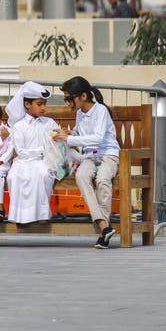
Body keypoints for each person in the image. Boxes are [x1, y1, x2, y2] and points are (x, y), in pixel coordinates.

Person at [58, 76, 119, 249]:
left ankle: (103, 232)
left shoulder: (100, 111)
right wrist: (69, 133)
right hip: (90, 155)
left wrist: (70, 141)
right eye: (66, 99)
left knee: (102, 180)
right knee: (82, 176)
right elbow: (79, 132)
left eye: (69, 98)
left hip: (108, 154)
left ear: (83, 96)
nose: (67, 103)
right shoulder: (80, 113)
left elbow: (98, 138)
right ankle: (104, 227)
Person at [5, 81, 60, 224]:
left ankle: (41, 215)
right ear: (27, 104)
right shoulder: (19, 126)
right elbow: (21, 152)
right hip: (24, 161)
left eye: (44, 104)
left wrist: (57, 139)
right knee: (15, 176)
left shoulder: (49, 122)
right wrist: (44, 147)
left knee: (42, 173)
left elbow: (57, 144)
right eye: (39, 104)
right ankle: (20, 217)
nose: (43, 108)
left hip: (45, 160)